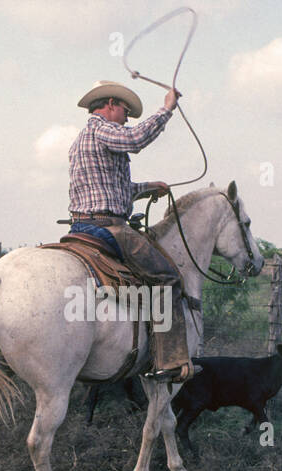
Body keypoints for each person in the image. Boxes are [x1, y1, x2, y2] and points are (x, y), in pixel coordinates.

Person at [67, 80, 197, 384]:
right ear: (110, 104)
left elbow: (115, 188)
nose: (127, 117)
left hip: (82, 223)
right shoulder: (102, 129)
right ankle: (171, 361)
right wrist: (167, 109)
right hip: (107, 226)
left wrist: (149, 187)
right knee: (167, 277)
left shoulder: (81, 140)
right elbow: (136, 139)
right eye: (125, 111)